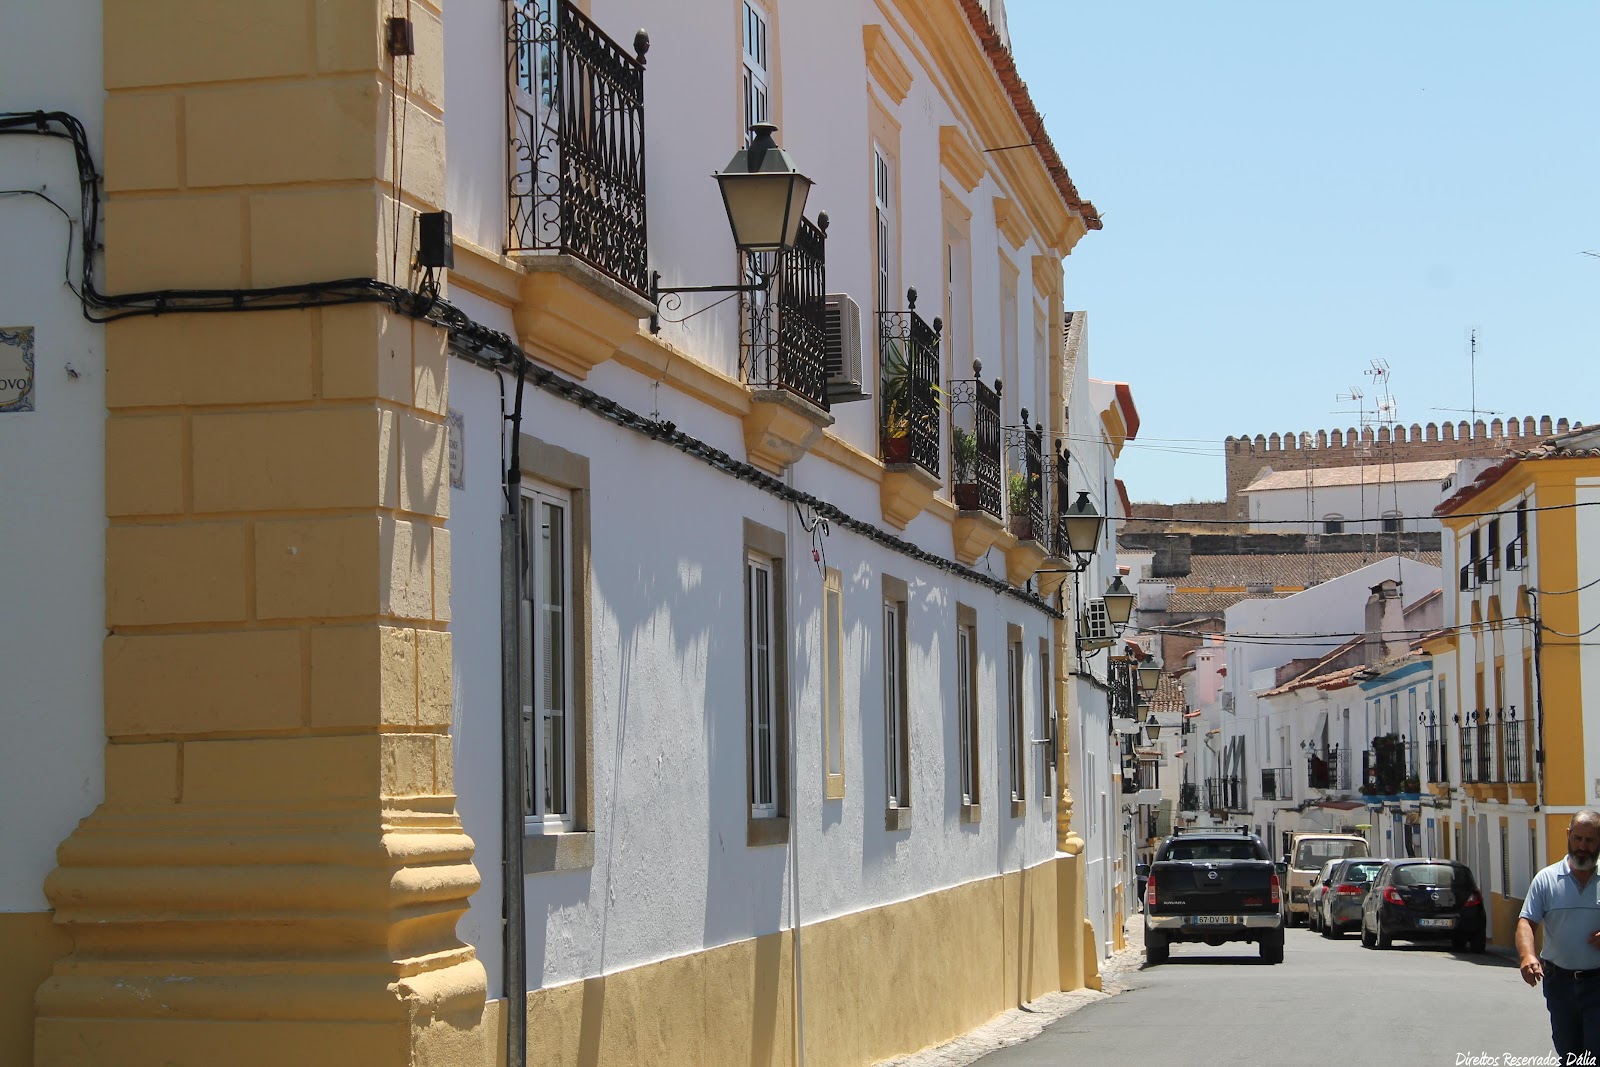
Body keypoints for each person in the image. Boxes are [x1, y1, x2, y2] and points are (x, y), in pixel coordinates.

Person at [1518, 809, 1600, 1061]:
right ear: (1568, 835)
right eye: (1577, 839)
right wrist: (1527, 956)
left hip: (1598, 984)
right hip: (1560, 984)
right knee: (1569, 1053)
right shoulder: (1546, 879)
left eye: (1590, 840)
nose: (1582, 847)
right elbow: (1526, 922)